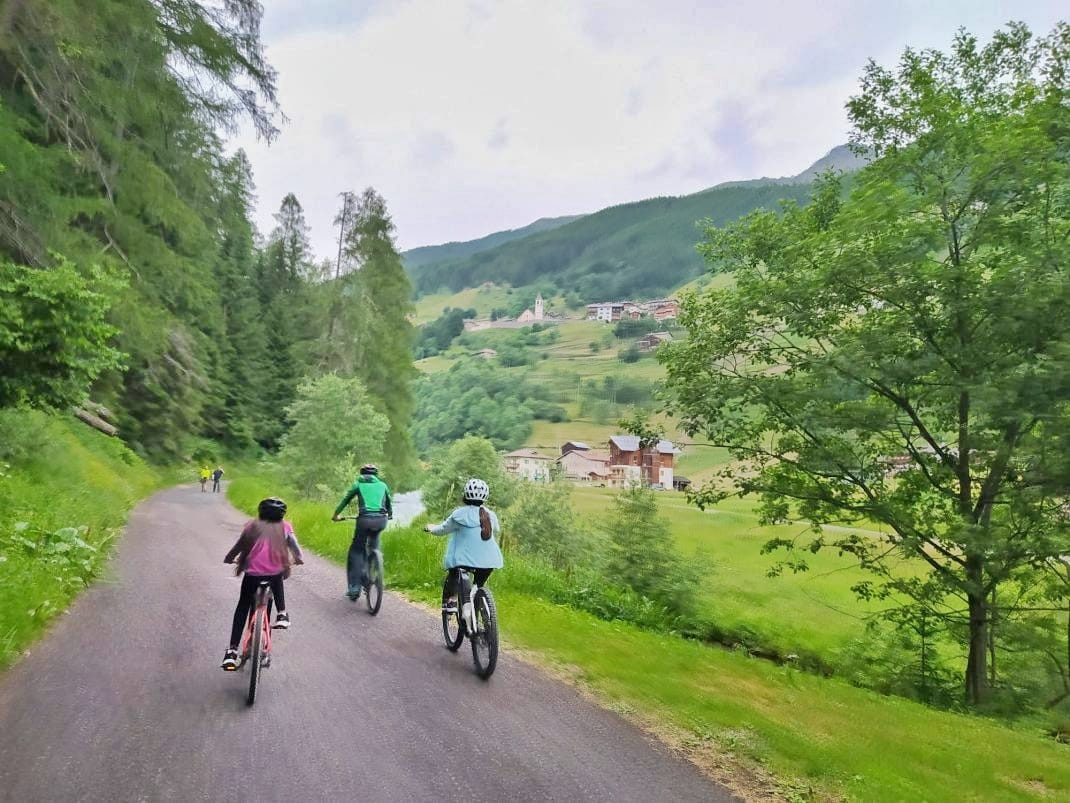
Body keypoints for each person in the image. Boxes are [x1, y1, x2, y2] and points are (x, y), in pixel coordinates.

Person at [221, 497, 304, 670]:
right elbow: (295, 547)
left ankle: (232, 652)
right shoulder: (285, 527)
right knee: (276, 578)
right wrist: (299, 559)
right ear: (282, 515)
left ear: (260, 512)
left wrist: (229, 558)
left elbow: (239, 546)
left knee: (243, 607)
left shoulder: (252, 526)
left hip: (252, 574)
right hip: (274, 575)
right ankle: (282, 614)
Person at [424, 478, 503, 613]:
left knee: (454, 572)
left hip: (464, 560)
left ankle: (451, 602)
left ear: (465, 495)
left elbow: (442, 530)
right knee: (477, 587)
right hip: (489, 561)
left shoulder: (459, 515)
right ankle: (478, 620)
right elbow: (496, 529)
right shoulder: (490, 515)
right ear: (485, 497)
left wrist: (431, 528)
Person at [332, 464, 392, 600]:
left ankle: (354, 587)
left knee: (356, 550)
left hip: (364, 520)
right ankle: (375, 566)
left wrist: (336, 515)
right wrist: (390, 515)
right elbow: (389, 502)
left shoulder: (357, 484)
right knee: (374, 542)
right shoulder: (383, 485)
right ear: (376, 475)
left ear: (362, 474)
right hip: (381, 520)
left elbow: (345, 500)